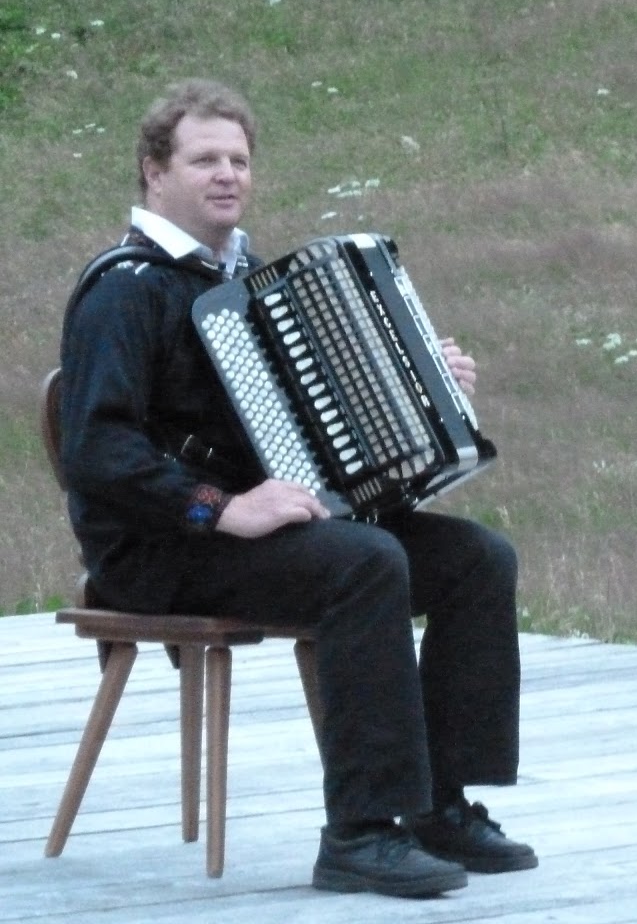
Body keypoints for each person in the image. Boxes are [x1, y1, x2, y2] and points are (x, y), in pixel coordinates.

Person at [55, 79, 537, 898]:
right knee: (365, 562)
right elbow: (96, 448)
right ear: (153, 172)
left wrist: (427, 386)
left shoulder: (242, 286)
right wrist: (219, 508)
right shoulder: (126, 289)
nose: (227, 175)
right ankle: (360, 831)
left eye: (239, 160)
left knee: (476, 558)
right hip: (159, 547)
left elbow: (307, 418)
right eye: (204, 158)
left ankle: (439, 806)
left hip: (255, 533)